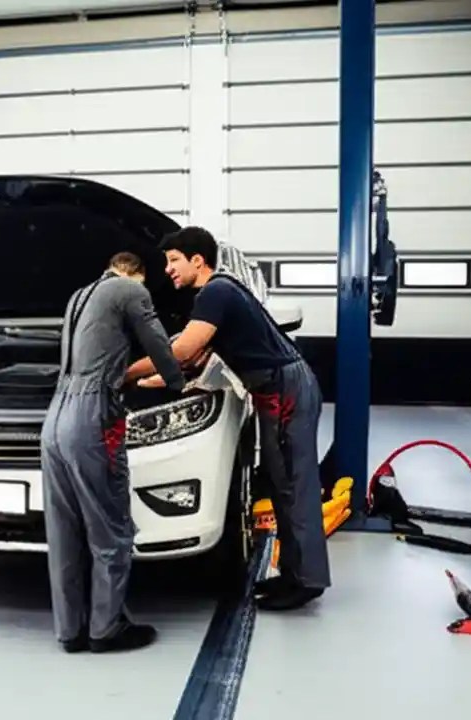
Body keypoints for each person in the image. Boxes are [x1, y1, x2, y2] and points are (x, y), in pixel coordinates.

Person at [126, 226, 331, 610]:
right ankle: (292, 575)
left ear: (197, 260)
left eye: (173, 260)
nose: (167, 270)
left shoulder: (216, 291)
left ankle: (306, 582)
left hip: (285, 390)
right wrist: (152, 379)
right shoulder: (215, 294)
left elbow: (185, 351)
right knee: (282, 482)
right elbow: (194, 358)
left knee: (293, 484)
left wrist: (126, 373)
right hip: (276, 389)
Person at [41, 250, 188, 654]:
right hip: (93, 418)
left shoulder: (78, 296)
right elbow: (158, 342)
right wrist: (178, 383)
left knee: (65, 532)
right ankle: (106, 629)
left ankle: (70, 631)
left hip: (53, 420)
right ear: (134, 274)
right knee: (111, 529)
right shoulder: (130, 290)